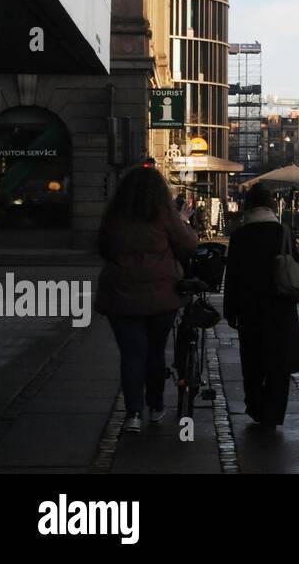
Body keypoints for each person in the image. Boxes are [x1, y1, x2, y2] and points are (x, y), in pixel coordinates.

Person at [95, 166, 198, 435]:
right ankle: (156, 405)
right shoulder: (164, 214)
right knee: (155, 352)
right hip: (160, 297)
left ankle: (133, 413)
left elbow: (102, 247)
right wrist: (184, 222)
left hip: (121, 295)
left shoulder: (115, 216)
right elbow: (188, 245)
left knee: (131, 354)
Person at [224, 185, 299, 429]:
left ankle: (256, 406)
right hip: (280, 306)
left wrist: (231, 310)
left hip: (250, 308)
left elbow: (233, 276)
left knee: (252, 359)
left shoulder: (239, 236)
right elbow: (297, 265)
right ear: (271, 205)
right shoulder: (283, 233)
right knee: (279, 362)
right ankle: (274, 413)